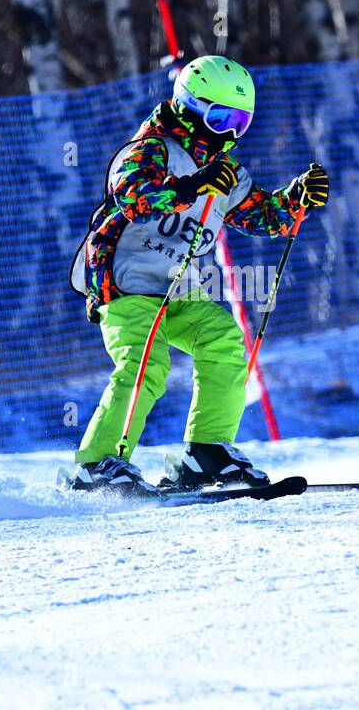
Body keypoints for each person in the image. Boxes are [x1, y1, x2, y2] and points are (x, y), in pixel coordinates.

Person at [67, 54, 329, 493]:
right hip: (124, 282)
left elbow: (262, 216)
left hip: (177, 288)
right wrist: (189, 186)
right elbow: (132, 194)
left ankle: (207, 451)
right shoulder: (151, 148)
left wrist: (296, 200)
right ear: (189, 106)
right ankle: (95, 465)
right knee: (145, 365)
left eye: (240, 123)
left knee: (223, 340)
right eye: (220, 118)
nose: (228, 133)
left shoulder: (226, 173)